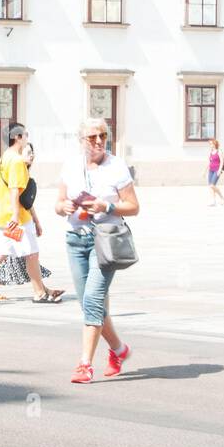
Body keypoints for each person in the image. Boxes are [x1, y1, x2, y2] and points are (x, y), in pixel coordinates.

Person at [55, 117, 140, 384]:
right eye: (92, 137)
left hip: (104, 242)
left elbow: (133, 206)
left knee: (92, 300)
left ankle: (85, 365)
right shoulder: (71, 165)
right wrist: (63, 207)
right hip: (75, 240)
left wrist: (108, 206)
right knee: (88, 304)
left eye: (103, 135)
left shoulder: (117, 166)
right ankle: (119, 350)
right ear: (82, 140)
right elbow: (58, 203)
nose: (99, 141)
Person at [0, 124, 62, 304]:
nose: (27, 138)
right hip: (18, 218)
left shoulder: (4, 158)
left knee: (2, 252)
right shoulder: (16, 160)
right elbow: (15, 189)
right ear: (17, 136)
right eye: (25, 134)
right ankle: (39, 293)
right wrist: (16, 215)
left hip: (6, 215)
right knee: (31, 254)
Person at [0, 141, 53, 295]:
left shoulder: (22, 172)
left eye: (32, 152)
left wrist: (36, 221)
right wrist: (20, 218)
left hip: (18, 221)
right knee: (14, 255)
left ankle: (43, 290)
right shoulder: (16, 170)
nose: (32, 155)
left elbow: (27, 203)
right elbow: (16, 199)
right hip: (16, 222)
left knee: (20, 255)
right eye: (28, 152)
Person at [208, 138, 224, 206]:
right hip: (211, 170)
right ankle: (213, 201)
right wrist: (205, 171)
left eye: (211, 143)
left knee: (212, 185)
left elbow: (222, 161)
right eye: (209, 144)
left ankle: (222, 197)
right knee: (211, 186)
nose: (210, 145)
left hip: (217, 170)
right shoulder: (210, 152)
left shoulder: (219, 151)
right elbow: (209, 162)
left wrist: (219, 170)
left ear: (215, 144)